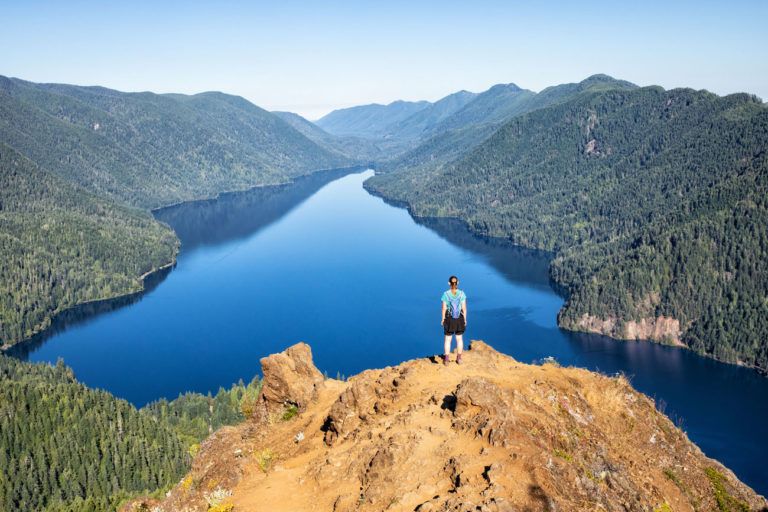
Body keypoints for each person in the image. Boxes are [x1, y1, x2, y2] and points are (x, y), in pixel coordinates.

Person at [441, 275, 467, 365]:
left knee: (448, 339)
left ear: (449, 283)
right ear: (458, 283)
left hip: (449, 319)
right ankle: (459, 358)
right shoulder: (462, 294)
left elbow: (444, 308)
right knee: (459, 339)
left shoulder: (446, 294)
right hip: (459, 319)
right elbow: (464, 308)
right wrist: (465, 319)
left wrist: (442, 319)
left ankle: (447, 359)